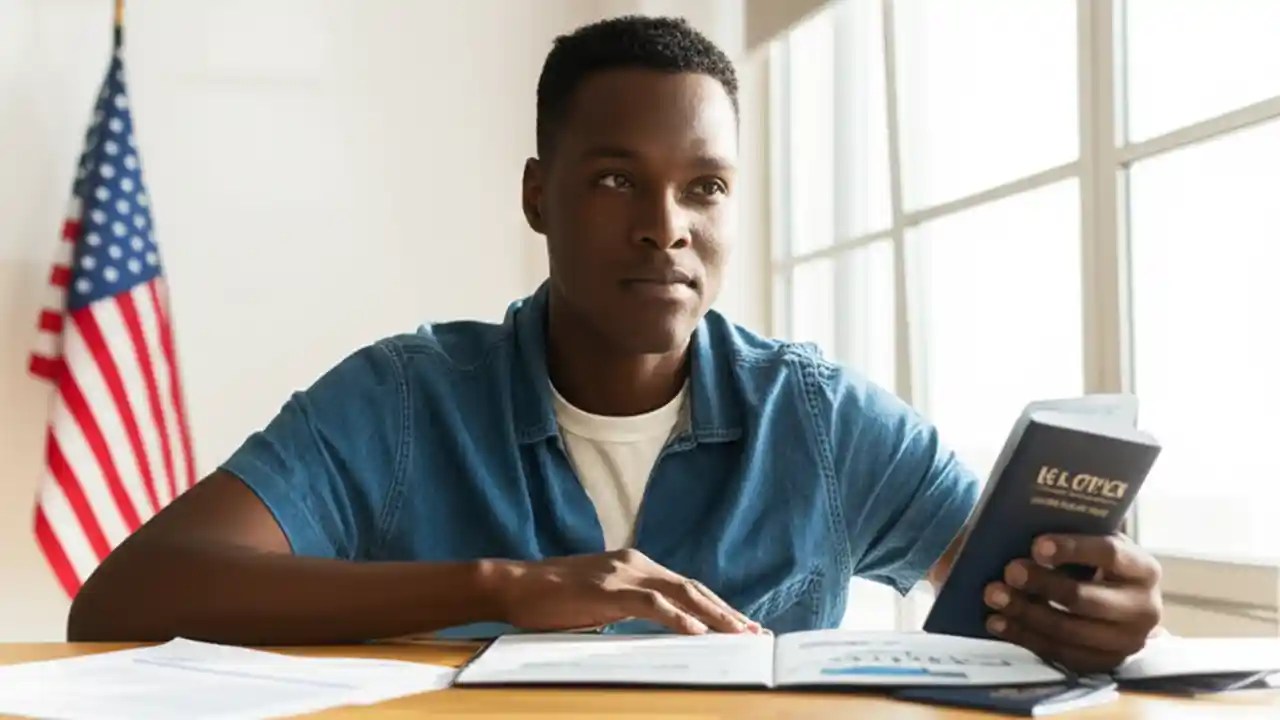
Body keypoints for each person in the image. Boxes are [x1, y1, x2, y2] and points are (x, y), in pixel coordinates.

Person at [68, 16, 1162, 672]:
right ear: (537, 195)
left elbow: (995, 598)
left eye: (705, 188)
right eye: (612, 180)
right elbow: (124, 597)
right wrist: (507, 585)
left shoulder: (821, 419)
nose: (665, 225)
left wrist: (1091, 613)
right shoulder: (403, 398)